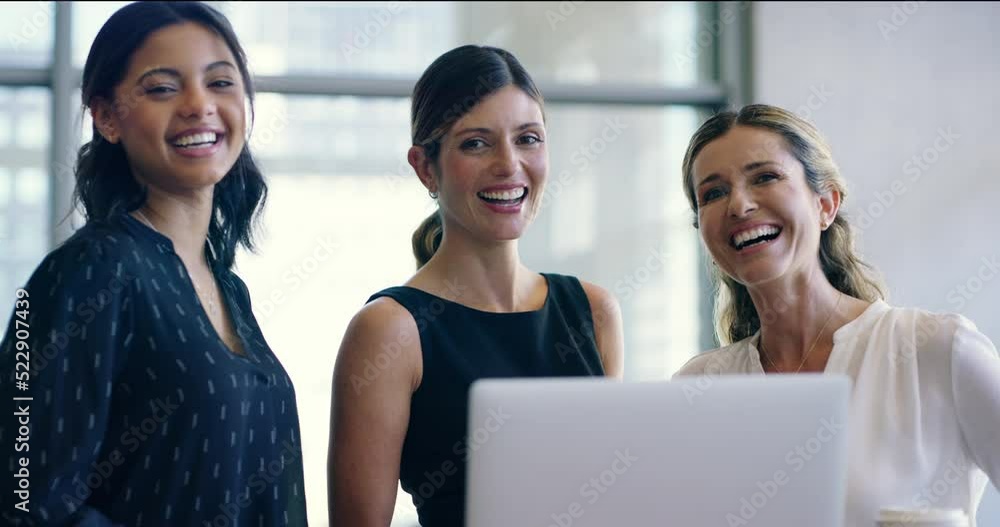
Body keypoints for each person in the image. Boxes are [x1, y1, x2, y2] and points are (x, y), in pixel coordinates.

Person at [0, 3, 307, 525]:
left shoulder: (228, 287)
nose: (198, 105)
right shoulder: (88, 271)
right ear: (106, 116)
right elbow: (22, 498)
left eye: (220, 83)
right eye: (162, 88)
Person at [327, 45, 625, 527]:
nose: (509, 165)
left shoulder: (593, 311)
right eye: (476, 143)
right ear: (426, 167)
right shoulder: (389, 331)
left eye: (528, 138)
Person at [672, 104, 1000, 525]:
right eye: (713, 193)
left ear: (826, 204)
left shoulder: (937, 351)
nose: (738, 204)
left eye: (765, 177)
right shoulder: (699, 386)